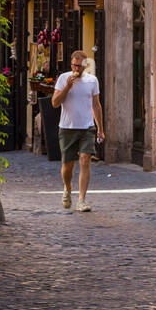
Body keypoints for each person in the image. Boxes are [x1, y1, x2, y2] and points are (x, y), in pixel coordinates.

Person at [52, 49, 105, 212]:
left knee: (84, 159)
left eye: (79, 66)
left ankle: (82, 199)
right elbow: (55, 102)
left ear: (85, 65)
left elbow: (96, 105)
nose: (76, 69)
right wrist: (67, 86)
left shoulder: (92, 81)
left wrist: (100, 129)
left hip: (86, 128)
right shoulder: (63, 79)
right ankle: (68, 188)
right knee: (67, 166)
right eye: (73, 65)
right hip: (67, 128)